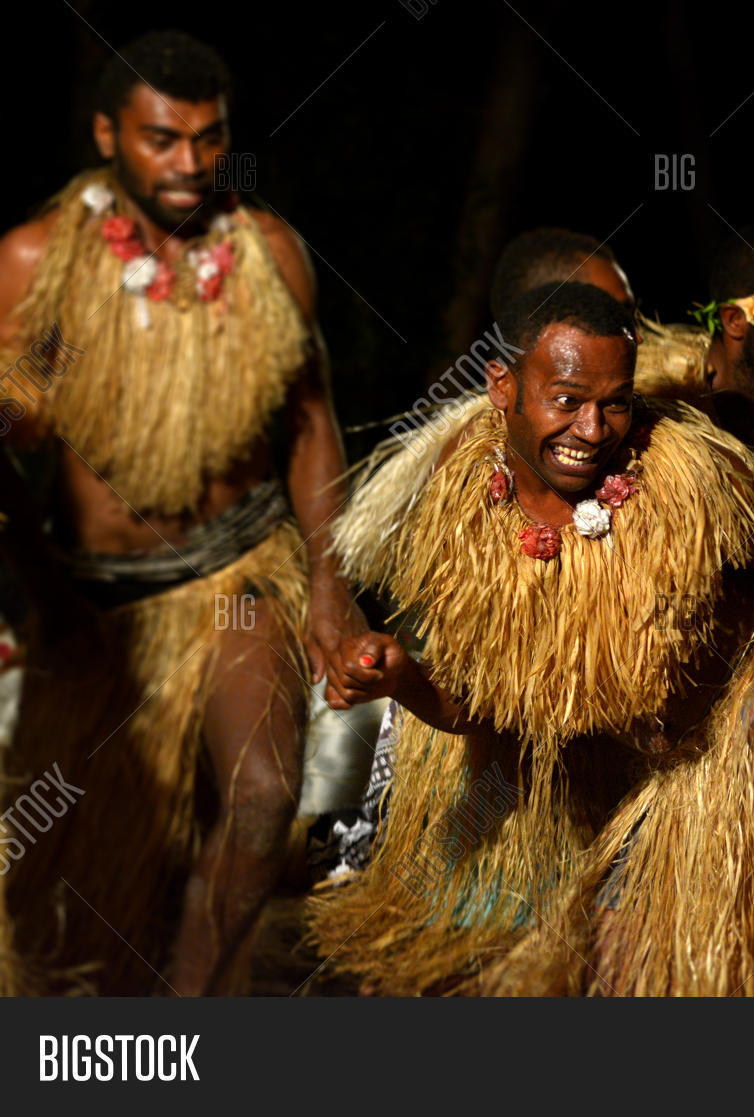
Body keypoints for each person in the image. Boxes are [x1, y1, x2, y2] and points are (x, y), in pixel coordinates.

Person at [311, 282, 754, 995]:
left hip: (747, 694)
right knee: (615, 975)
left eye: (616, 402)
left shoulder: (687, 466)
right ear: (503, 386)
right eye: (568, 400)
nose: (594, 429)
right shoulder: (464, 503)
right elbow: (481, 707)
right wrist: (401, 677)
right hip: (641, 769)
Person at [0, 31, 364, 993]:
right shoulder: (37, 262)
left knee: (262, 795)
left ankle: (189, 1022)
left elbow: (311, 425)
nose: (191, 162)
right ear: (107, 135)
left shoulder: (265, 253)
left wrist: (330, 590)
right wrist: (37, 586)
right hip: (99, 608)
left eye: (210, 138)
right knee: (83, 900)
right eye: (163, 139)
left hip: (236, 574)